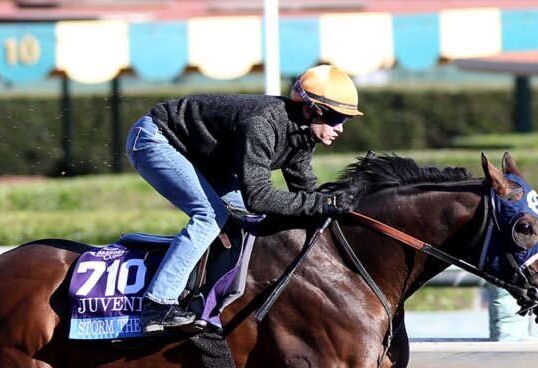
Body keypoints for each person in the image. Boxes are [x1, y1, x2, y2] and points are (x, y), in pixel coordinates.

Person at [126, 64, 364, 333]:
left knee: (249, 220)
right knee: (210, 216)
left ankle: (207, 296)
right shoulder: (262, 123)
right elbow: (259, 196)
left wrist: (337, 205)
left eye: (345, 120)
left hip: (201, 156)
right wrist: (322, 203)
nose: (340, 128)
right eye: (335, 118)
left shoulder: (302, 136)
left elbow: (306, 196)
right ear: (311, 109)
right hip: (155, 140)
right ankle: (158, 304)